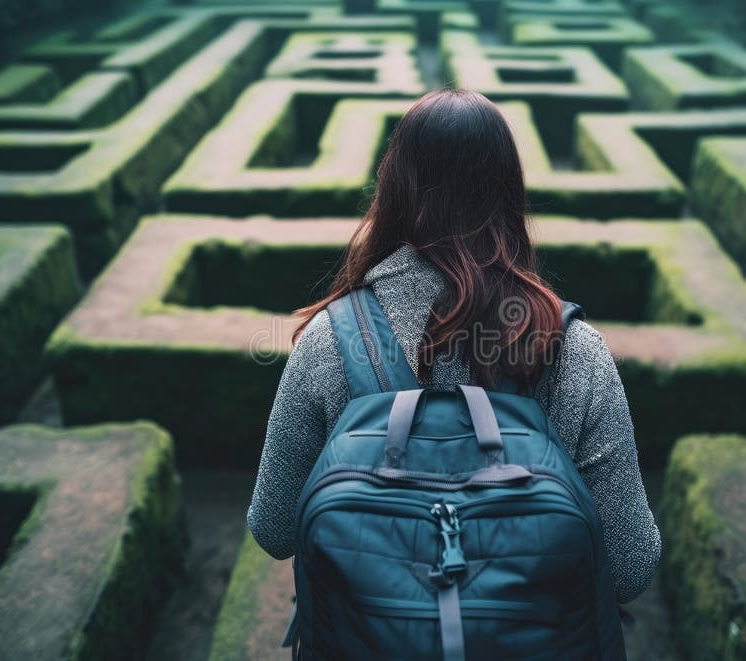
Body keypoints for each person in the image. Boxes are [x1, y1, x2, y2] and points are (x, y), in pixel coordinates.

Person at [246, 88, 661, 610]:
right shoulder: (573, 350)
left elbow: (274, 529)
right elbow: (629, 567)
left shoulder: (330, 339)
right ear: (509, 190)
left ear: (393, 187)